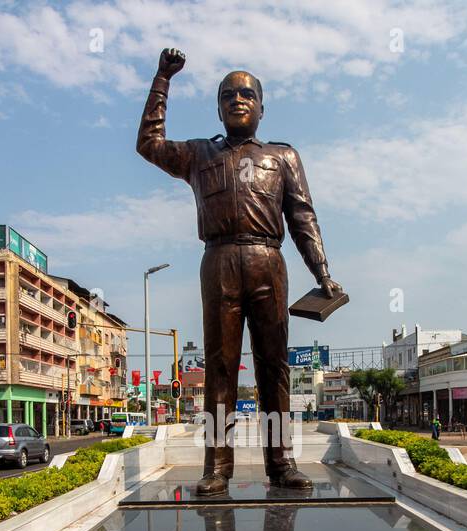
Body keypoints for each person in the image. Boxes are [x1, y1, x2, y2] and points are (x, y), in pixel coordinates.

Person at [137, 48, 342, 495]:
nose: (237, 99)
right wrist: (162, 80)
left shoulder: (283, 157)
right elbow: (148, 145)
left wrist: (322, 273)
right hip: (220, 261)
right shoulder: (198, 155)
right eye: (227, 94)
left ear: (262, 107)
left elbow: (304, 219)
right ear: (217, 107)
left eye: (247, 93)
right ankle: (217, 467)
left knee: (274, 369)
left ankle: (281, 462)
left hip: (270, 260)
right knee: (220, 369)